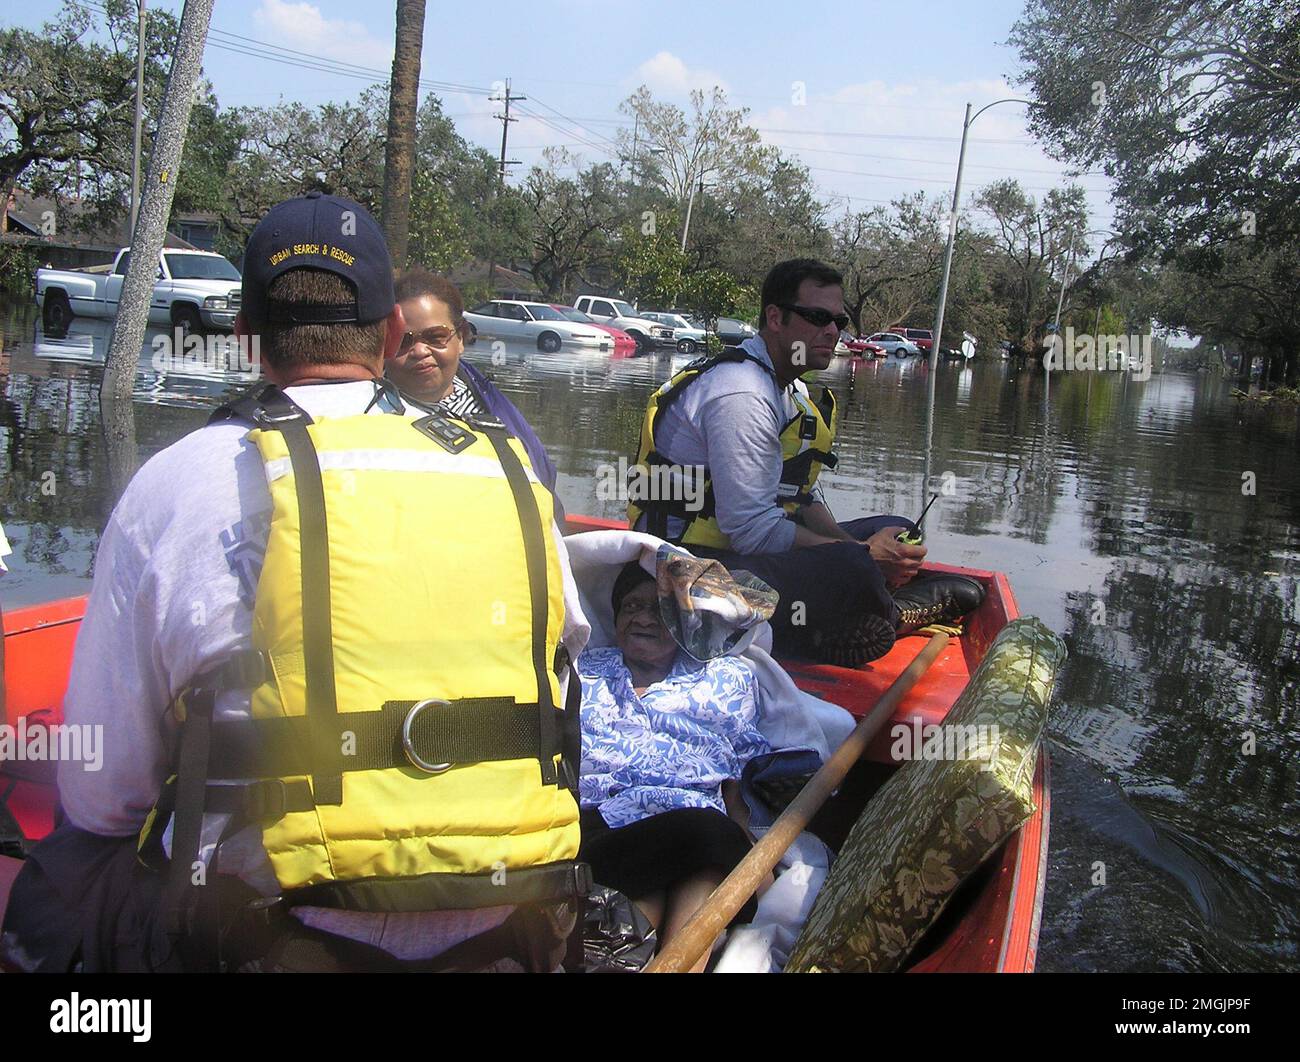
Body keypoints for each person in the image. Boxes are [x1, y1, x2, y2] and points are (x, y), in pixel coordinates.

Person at [0, 193, 588, 973]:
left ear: (244, 334)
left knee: (68, 870)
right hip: (502, 933)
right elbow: (566, 682)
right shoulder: (509, 474)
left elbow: (106, 794)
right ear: (388, 335)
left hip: (259, 939)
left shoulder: (174, 484)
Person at [627, 258, 983, 667]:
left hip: (736, 552)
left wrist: (858, 546)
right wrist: (863, 557)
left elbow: (800, 494)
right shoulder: (741, 395)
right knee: (854, 565)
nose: (831, 331)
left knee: (899, 530)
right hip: (687, 568)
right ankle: (891, 614)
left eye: (838, 320)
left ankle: (852, 605)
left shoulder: (787, 387)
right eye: (817, 317)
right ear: (775, 318)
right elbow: (752, 532)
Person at [578, 562, 770, 973]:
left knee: (704, 847)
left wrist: (752, 848)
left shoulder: (725, 678)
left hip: (700, 836)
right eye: (631, 606)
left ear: (687, 621)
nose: (643, 618)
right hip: (603, 829)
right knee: (697, 842)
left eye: (660, 608)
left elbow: (736, 774)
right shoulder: (584, 671)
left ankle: (640, 956)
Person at [387, 269, 563, 520]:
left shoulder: (494, 409)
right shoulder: (369, 413)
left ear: (460, 338)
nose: (419, 351)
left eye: (435, 337)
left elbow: (545, 496)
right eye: (403, 341)